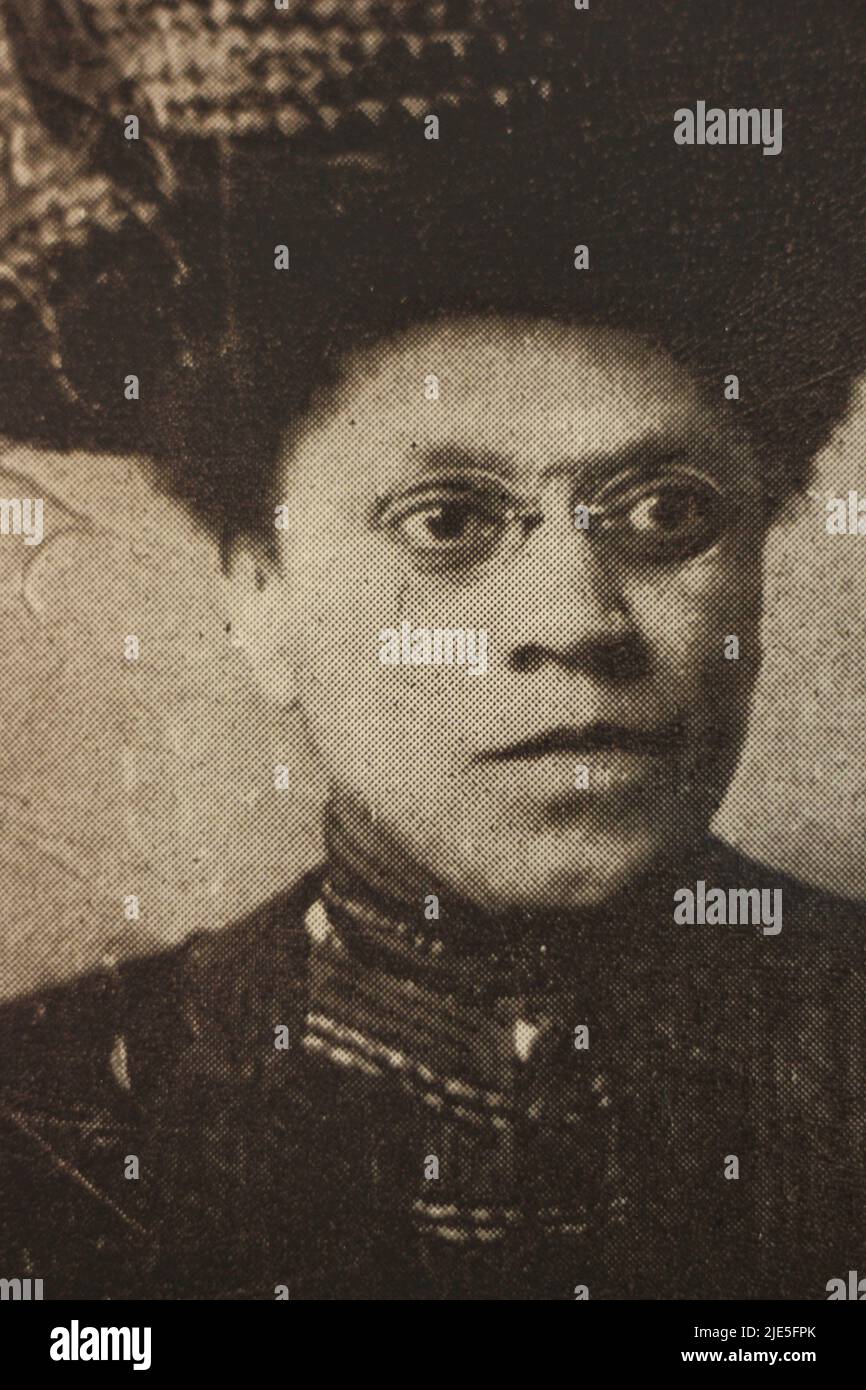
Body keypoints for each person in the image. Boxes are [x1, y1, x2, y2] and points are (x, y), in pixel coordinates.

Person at [0, 0, 864, 1300]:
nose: (574, 620)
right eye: (448, 520)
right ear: (258, 592)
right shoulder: (55, 1113)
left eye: (665, 513)